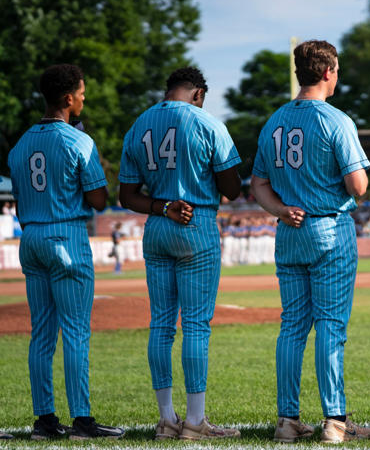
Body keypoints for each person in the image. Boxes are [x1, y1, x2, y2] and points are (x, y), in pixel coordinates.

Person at [250, 40, 370, 443]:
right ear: (326, 72)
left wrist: (281, 210)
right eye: (336, 70)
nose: (337, 76)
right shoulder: (336, 120)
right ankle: (335, 421)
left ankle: (287, 421)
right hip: (328, 230)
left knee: (292, 327)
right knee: (330, 327)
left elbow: (258, 184)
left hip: (289, 231)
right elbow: (358, 185)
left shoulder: (274, 121)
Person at [118, 67, 242, 440]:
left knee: (160, 324)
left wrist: (162, 205)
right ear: (198, 93)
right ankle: (195, 421)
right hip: (196, 223)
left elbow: (127, 196)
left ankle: (166, 420)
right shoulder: (207, 123)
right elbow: (232, 189)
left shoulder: (139, 125)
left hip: (158, 223)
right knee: (195, 326)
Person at [7, 64, 125, 440]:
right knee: (75, 332)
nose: (84, 99)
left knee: (41, 334)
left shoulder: (20, 145)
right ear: (68, 98)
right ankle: (82, 420)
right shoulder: (78, 141)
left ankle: (44, 421)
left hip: (31, 237)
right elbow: (99, 200)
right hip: (67, 237)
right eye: (82, 94)